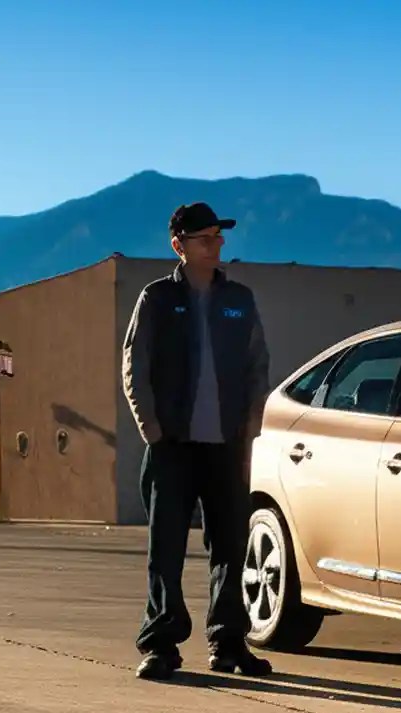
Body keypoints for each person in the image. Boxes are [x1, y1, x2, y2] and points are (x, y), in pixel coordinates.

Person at [121, 202, 273, 680]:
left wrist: (249, 429)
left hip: (226, 447)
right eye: (205, 238)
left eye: (218, 236)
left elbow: (257, 366)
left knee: (230, 545)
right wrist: (153, 430)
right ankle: (161, 644)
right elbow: (135, 366)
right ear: (179, 246)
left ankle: (229, 642)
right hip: (172, 446)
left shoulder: (240, 299)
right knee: (164, 550)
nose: (216, 244)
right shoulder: (156, 299)